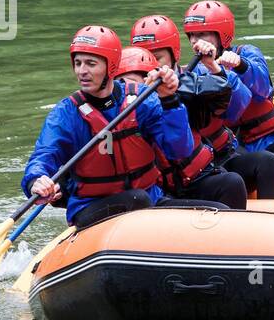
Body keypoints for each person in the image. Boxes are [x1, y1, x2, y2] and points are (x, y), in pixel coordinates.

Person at [22, 25, 191, 230]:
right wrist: (36, 181)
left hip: (149, 200)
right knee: (136, 199)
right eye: (78, 63)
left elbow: (179, 150)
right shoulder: (66, 113)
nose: (82, 71)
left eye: (91, 64)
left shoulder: (143, 99)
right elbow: (44, 155)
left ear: (111, 66)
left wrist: (170, 100)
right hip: (91, 208)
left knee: (217, 206)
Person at [179, 0, 274, 179]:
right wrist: (216, 70)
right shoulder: (197, 71)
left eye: (202, 34)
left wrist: (241, 65)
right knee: (257, 160)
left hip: (269, 138)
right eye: (191, 35)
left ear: (221, 34)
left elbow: (263, 88)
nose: (195, 41)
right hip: (236, 145)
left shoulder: (247, 52)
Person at [128, 15, 248, 209]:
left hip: (198, 172)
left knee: (231, 181)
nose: (152, 67)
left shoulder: (192, 79)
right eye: (145, 57)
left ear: (174, 54)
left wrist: (213, 66)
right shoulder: (132, 93)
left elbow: (232, 103)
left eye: (157, 58)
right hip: (161, 188)